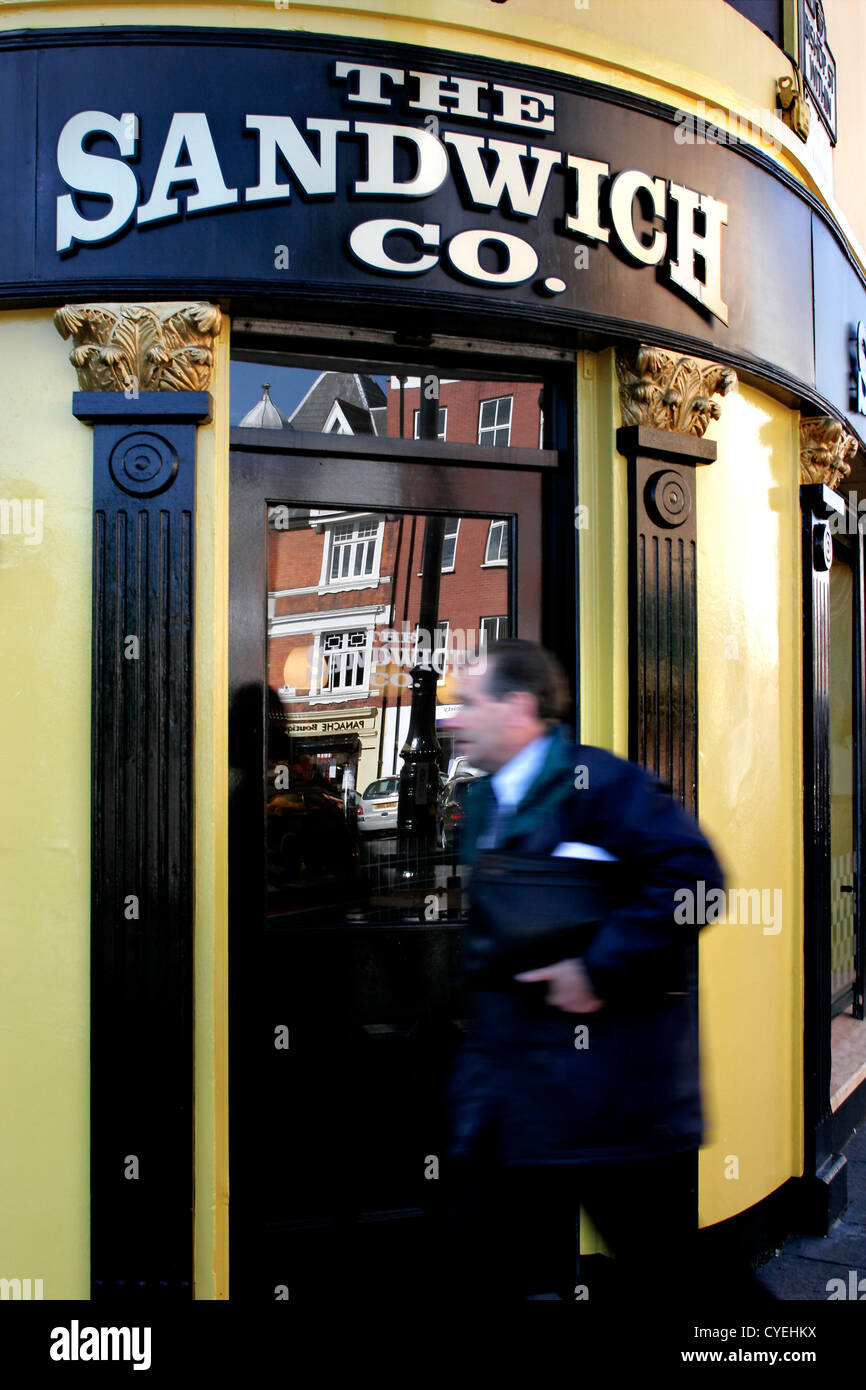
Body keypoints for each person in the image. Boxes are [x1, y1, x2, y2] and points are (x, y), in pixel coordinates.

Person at [443, 639, 762, 1306]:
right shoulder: (483, 805)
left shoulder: (602, 783)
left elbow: (694, 880)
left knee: (680, 1277)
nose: (453, 718)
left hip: (613, 1103)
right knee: (485, 1263)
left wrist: (594, 968)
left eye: (469, 703)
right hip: (513, 1100)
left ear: (518, 707)